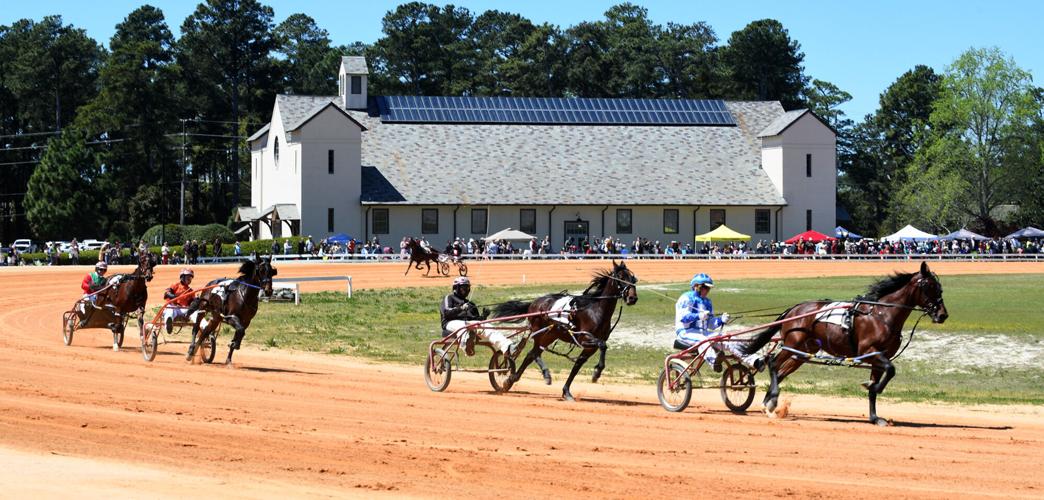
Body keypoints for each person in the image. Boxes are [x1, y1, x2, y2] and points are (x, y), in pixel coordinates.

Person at [674, 273, 761, 371]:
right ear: (696, 286)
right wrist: (699, 316)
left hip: (704, 332)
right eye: (705, 288)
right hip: (686, 332)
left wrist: (721, 320)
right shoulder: (686, 297)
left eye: (708, 288)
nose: (707, 291)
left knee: (729, 339)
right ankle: (714, 362)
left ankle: (755, 361)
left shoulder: (707, 302)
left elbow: (711, 324)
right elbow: (683, 317)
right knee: (703, 340)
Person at [439, 277, 513, 361]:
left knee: (487, 326)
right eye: (463, 287)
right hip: (450, 323)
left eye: (467, 288)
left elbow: (476, 320)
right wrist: (460, 308)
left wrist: (483, 316)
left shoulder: (470, 304)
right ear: (456, 288)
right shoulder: (449, 298)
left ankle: (507, 346)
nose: (466, 290)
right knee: (464, 326)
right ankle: (466, 344)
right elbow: (446, 312)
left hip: (469, 324)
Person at [162, 268, 195, 333]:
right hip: (173, 307)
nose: (189, 279)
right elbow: (167, 293)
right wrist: (173, 296)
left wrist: (195, 302)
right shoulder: (175, 285)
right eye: (188, 277)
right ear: (182, 277)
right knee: (170, 311)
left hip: (184, 309)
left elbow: (192, 302)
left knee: (195, 312)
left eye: (190, 278)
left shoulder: (190, 290)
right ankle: (168, 326)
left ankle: (204, 327)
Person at [79, 261, 110, 327]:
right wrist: (90, 287)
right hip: (88, 294)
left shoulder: (104, 280)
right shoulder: (90, 275)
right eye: (101, 269)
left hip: (97, 296)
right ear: (96, 269)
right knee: (86, 303)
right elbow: (83, 285)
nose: (103, 271)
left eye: (105, 270)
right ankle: (84, 318)